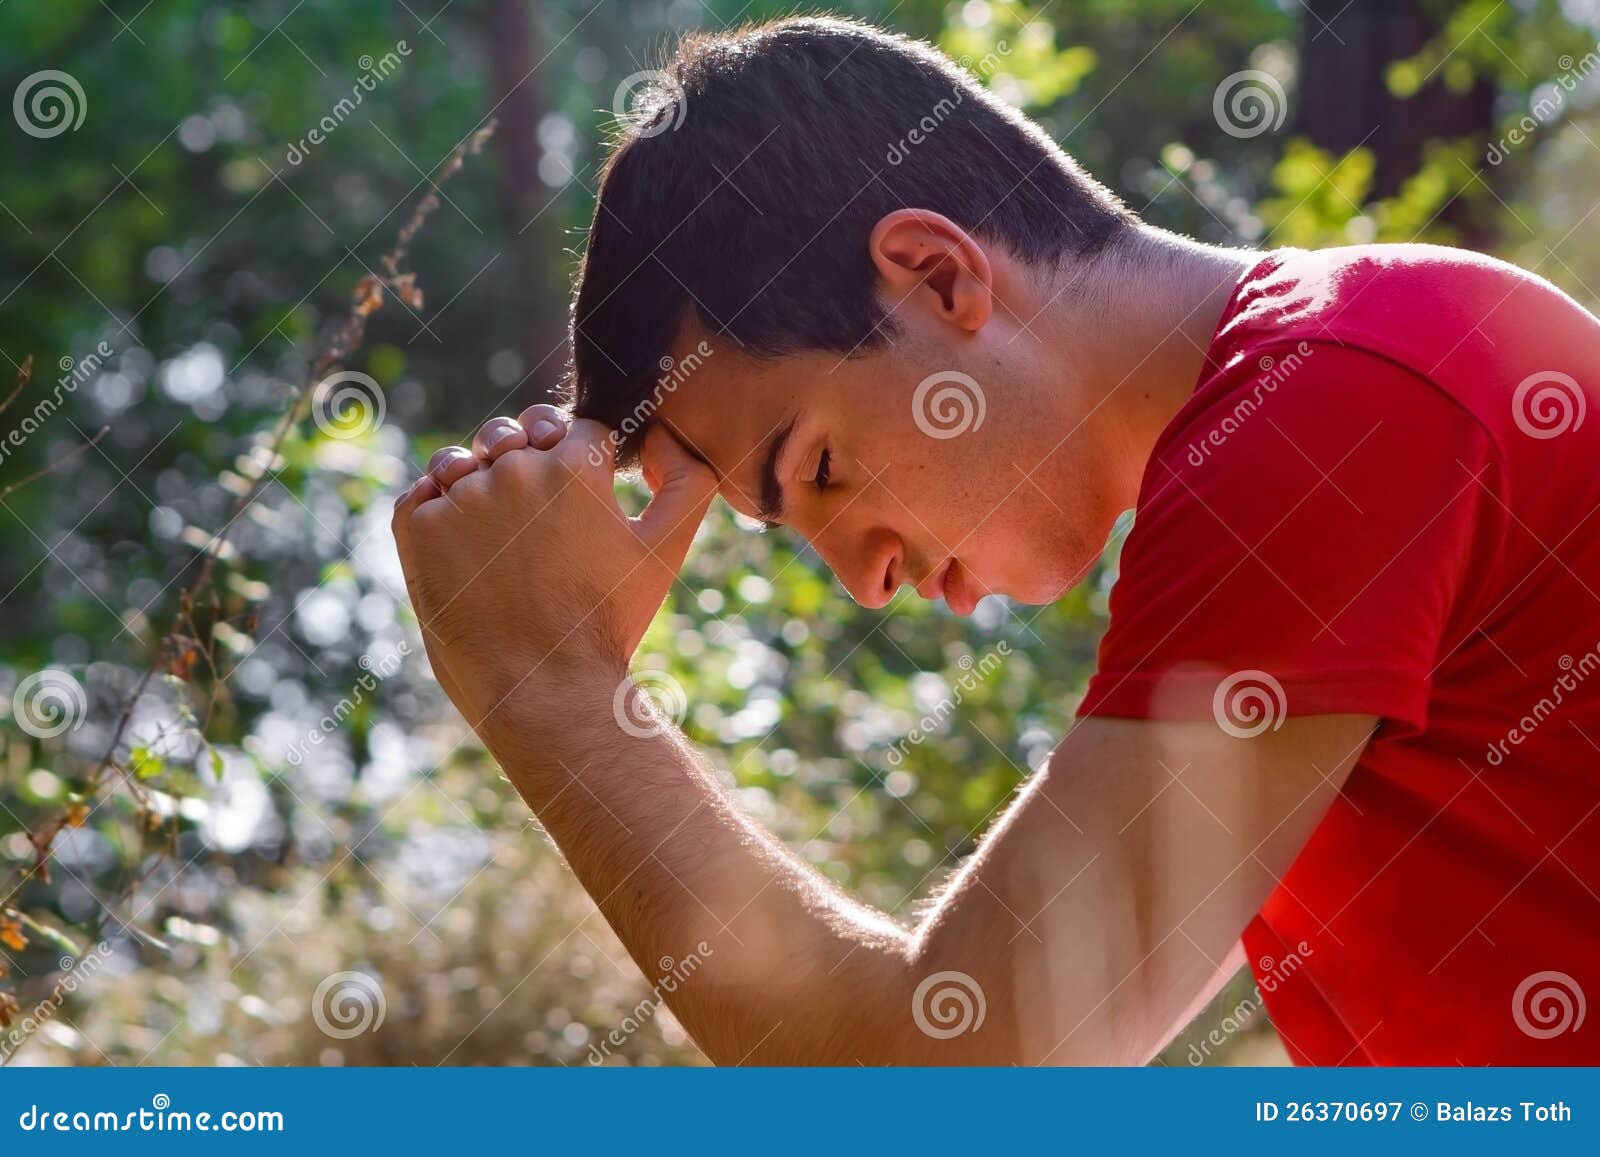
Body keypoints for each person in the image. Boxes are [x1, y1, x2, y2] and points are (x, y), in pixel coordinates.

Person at [391, 16, 1600, 1064]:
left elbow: (959, 1078)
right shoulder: (1319, 396)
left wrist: (550, 688)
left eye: (815, 468)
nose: (866, 580)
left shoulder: (1338, 402)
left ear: (934, 275)